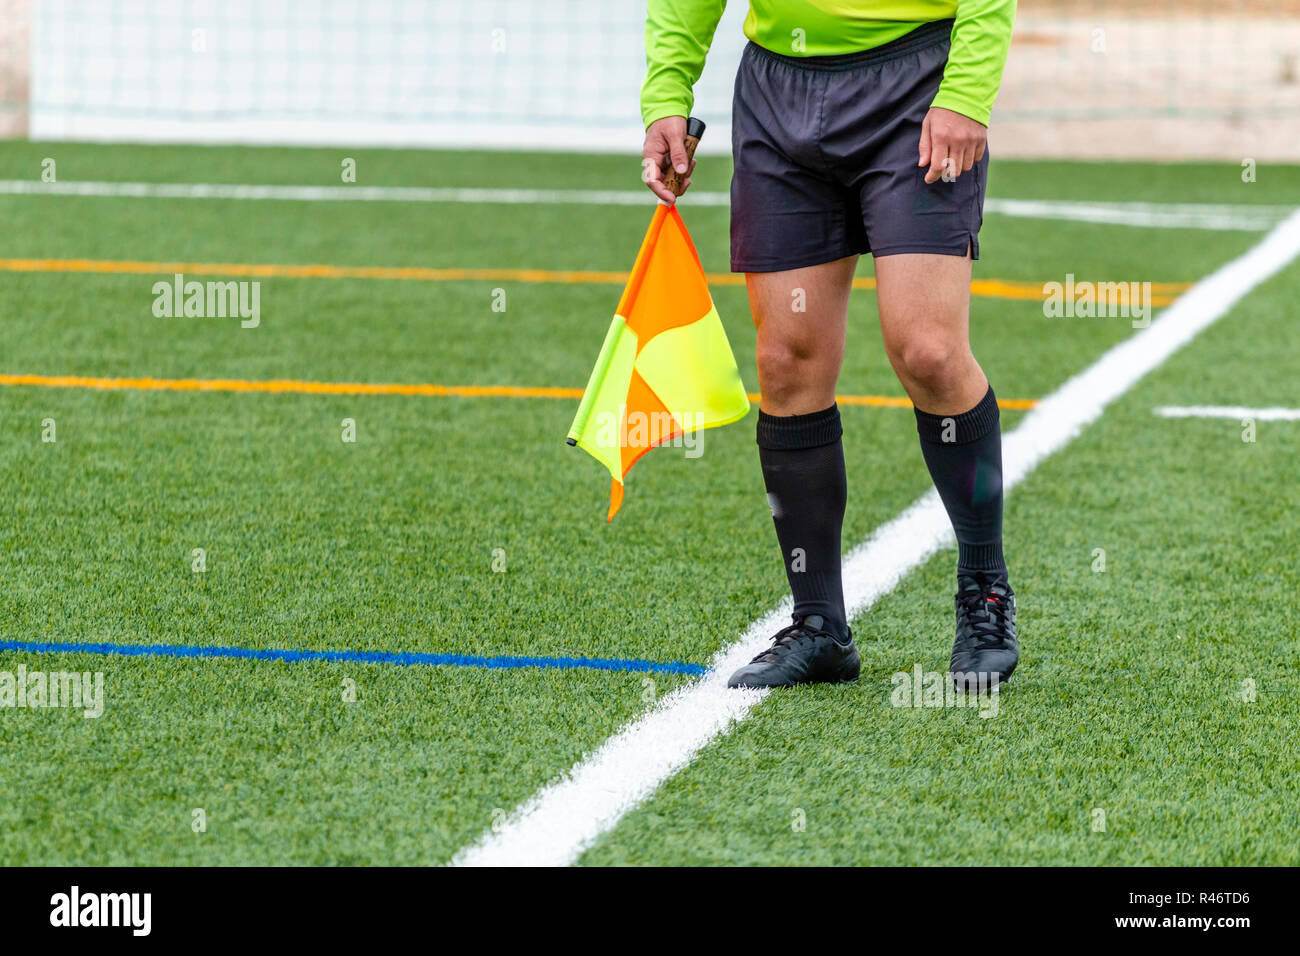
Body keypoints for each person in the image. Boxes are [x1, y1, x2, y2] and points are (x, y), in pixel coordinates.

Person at [640, 1, 1019, 690]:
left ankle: (984, 596)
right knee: (787, 363)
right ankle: (819, 626)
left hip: (916, 86)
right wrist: (667, 93)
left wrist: (966, 93)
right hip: (779, 96)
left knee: (929, 351)